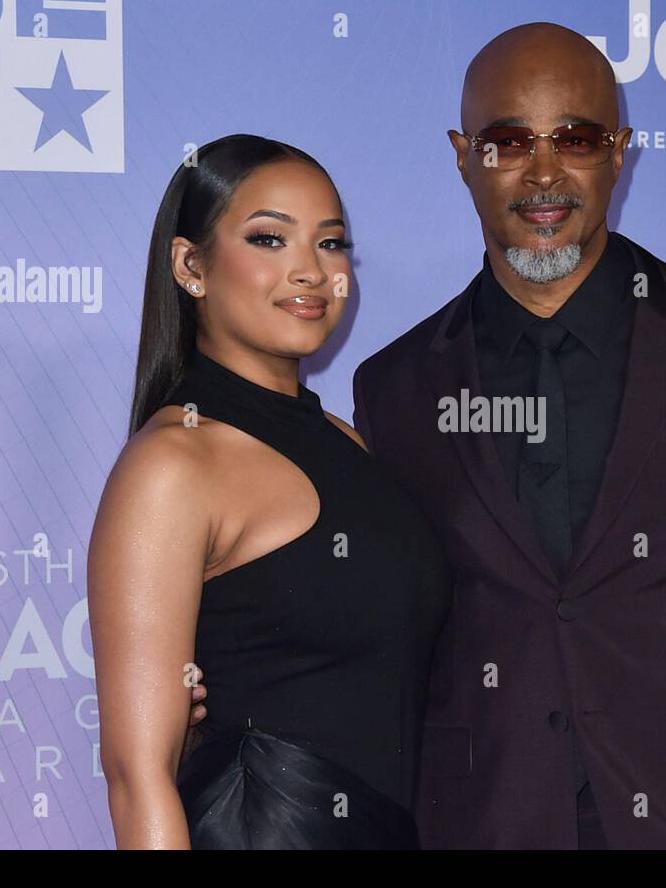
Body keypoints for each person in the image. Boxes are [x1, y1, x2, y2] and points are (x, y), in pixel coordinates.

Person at [195, 21, 666, 850]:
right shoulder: (397, 388)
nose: (545, 171)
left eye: (578, 137)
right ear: (463, 156)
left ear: (620, 151)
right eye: (509, 141)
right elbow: (381, 626)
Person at [88, 134, 451, 849]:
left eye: (331, 243)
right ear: (191, 265)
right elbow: (138, 775)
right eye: (269, 238)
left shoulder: (350, 442)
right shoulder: (171, 465)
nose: (310, 271)